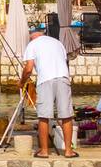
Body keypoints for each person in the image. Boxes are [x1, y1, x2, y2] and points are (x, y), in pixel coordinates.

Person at [21, 27, 76, 159]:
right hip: (63, 77)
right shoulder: (57, 43)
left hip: (45, 80)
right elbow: (64, 61)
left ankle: (44, 151)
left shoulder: (32, 44)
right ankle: (68, 151)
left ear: (31, 36)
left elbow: (28, 69)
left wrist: (22, 82)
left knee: (44, 116)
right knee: (66, 115)